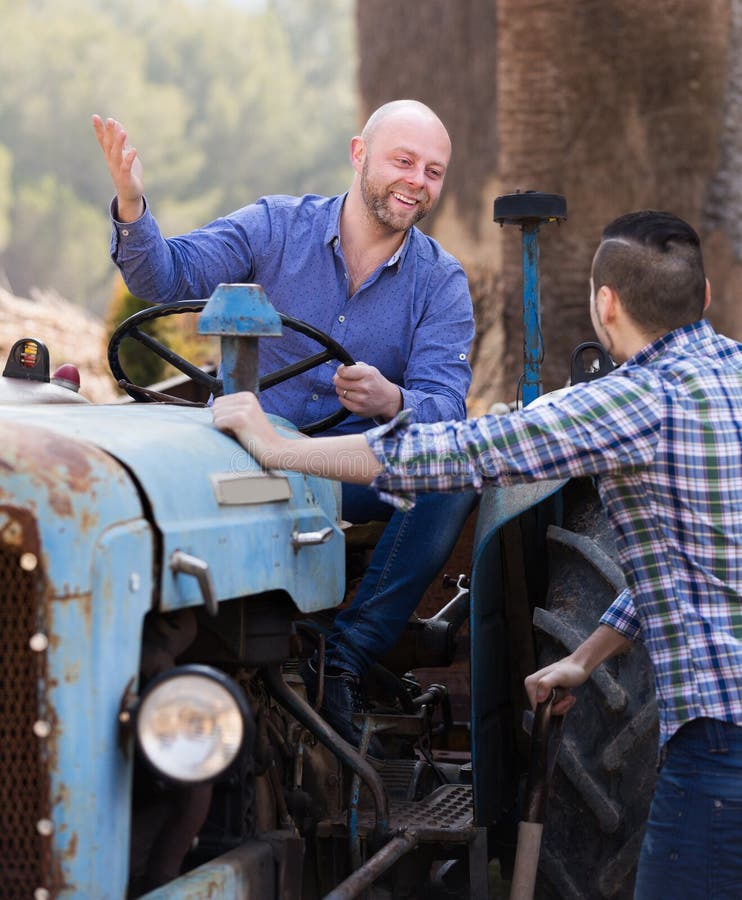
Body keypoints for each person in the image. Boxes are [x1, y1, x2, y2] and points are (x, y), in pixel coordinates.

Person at [211, 210, 742, 898]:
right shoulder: (731, 371)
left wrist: (277, 447)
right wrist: (586, 657)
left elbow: (459, 452)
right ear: (704, 297)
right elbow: (694, 560)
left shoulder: (633, 401)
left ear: (604, 304)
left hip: (719, 745)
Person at [93, 101, 476, 756]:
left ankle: (345, 657)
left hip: (342, 473)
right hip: (241, 463)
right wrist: (132, 204)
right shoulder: (274, 228)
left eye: (433, 171)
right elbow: (166, 276)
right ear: (359, 154)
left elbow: (445, 411)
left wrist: (391, 398)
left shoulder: (439, 283)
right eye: (403, 161)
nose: (417, 181)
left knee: (450, 473)